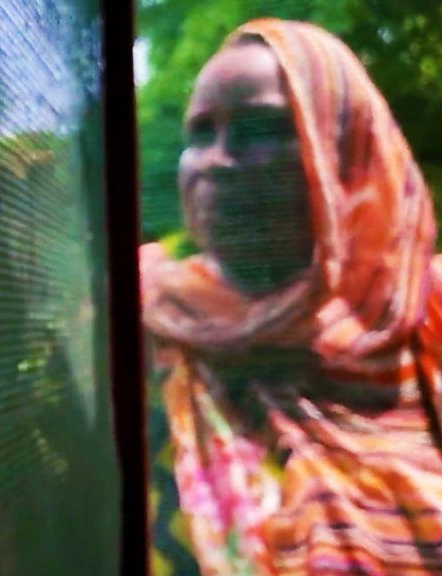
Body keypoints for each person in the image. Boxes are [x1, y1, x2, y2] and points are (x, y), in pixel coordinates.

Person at [142, 18, 442, 575]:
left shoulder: (423, 317)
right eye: (200, 133)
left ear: (349, 154)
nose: (216, 160)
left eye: (263, 129)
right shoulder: (152, 321)